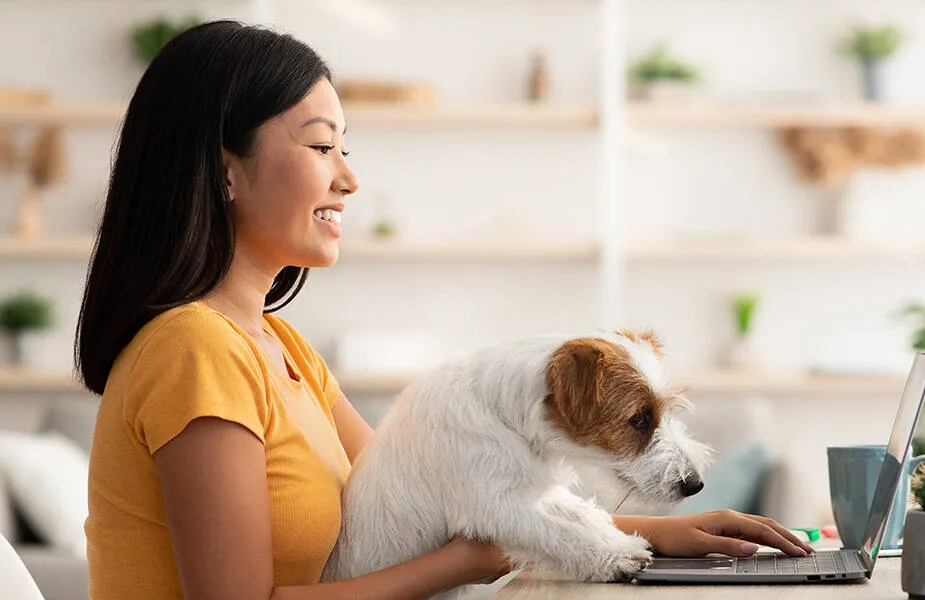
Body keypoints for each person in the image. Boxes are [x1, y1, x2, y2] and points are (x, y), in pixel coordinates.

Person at [75, 20, 812, 600]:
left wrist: (666, 533)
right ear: (223, 167)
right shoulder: (194, 351)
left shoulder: (279, 346)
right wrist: (466, 560)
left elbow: (453, 489)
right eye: (323, 146)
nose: (350, 178)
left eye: (347, 148)